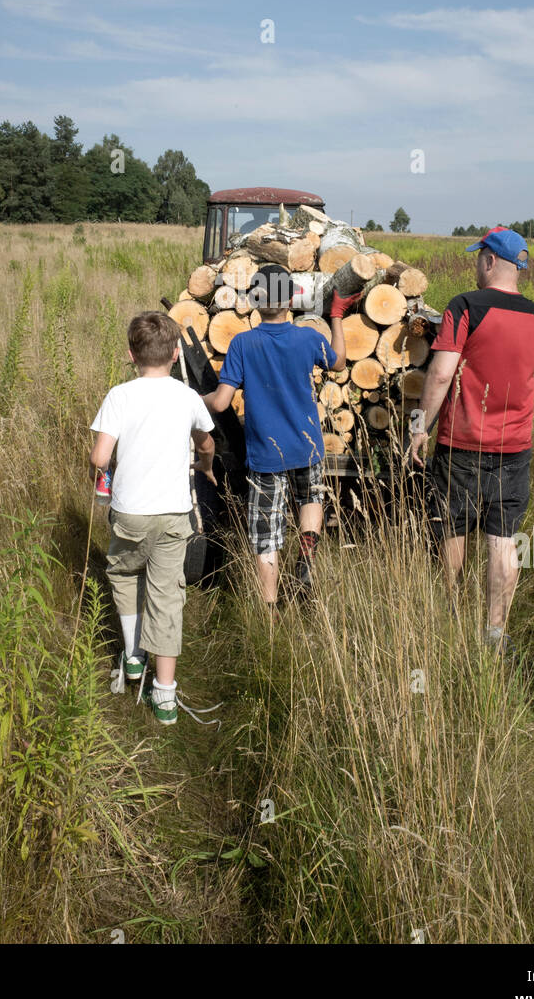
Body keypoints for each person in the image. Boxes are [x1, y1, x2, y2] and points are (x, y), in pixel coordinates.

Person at [408, 228, 534, 653]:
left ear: (489, 261)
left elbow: (441, 372)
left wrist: (419, 427)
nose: (475, 263)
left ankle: (450, 611)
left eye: (478, 256)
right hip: (516, 447)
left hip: (462, 444)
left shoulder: (465, 306)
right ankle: (495, 632)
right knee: (503, 538)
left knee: (453, 527)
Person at [203, 264, 356, 610]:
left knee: (266, 533)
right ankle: (304, 561)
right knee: (310, 500)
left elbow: (223, 401)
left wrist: (194, 400)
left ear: (256, 300)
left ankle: (270, 610)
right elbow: (340, 362)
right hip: (307, 445)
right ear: (290, 300)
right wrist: (335, 316)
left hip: (265, 455)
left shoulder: (243, 343)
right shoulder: (308, 337)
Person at [90, 311, 216, 725]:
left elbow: (100, 457)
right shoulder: (187, 397)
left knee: (125, 574)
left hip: (130, 512)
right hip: (174, 512)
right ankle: (164, 696)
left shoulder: (119, 395)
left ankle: (131, 655)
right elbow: (206, 441)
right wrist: (206, 464)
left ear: (131, 355)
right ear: (177, 352)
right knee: (166, 594)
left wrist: (104, 473)